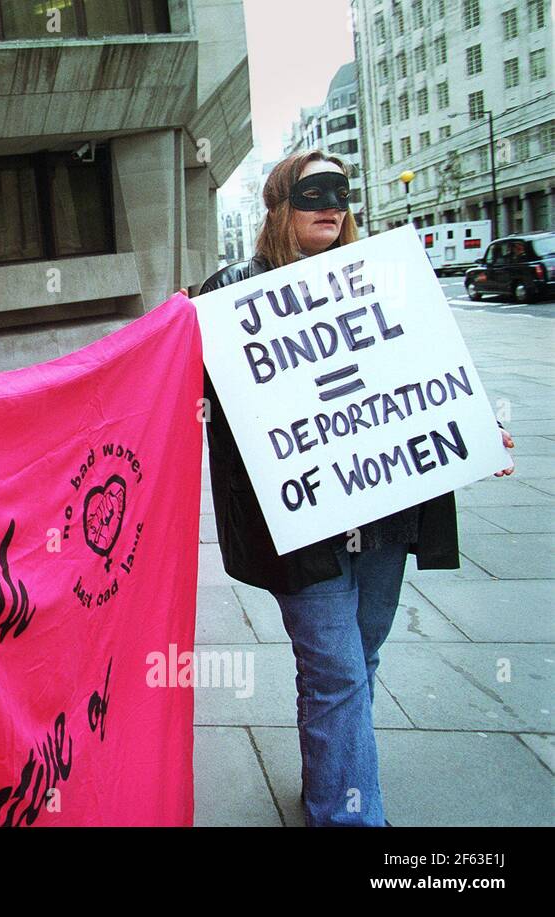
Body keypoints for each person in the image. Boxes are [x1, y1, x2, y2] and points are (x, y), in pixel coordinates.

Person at [198, 150, 515, 827]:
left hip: (385, 511)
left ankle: (331, 782)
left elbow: (427, 368)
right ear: (282, 203)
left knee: (356, 659)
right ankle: (349, 816)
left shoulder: (385, 279)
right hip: (301, 520)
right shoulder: (231, 292)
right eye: (315, 192)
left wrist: (475, 424)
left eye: (341, 191)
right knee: (337, 670)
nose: (332, 204)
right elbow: (178, 386)